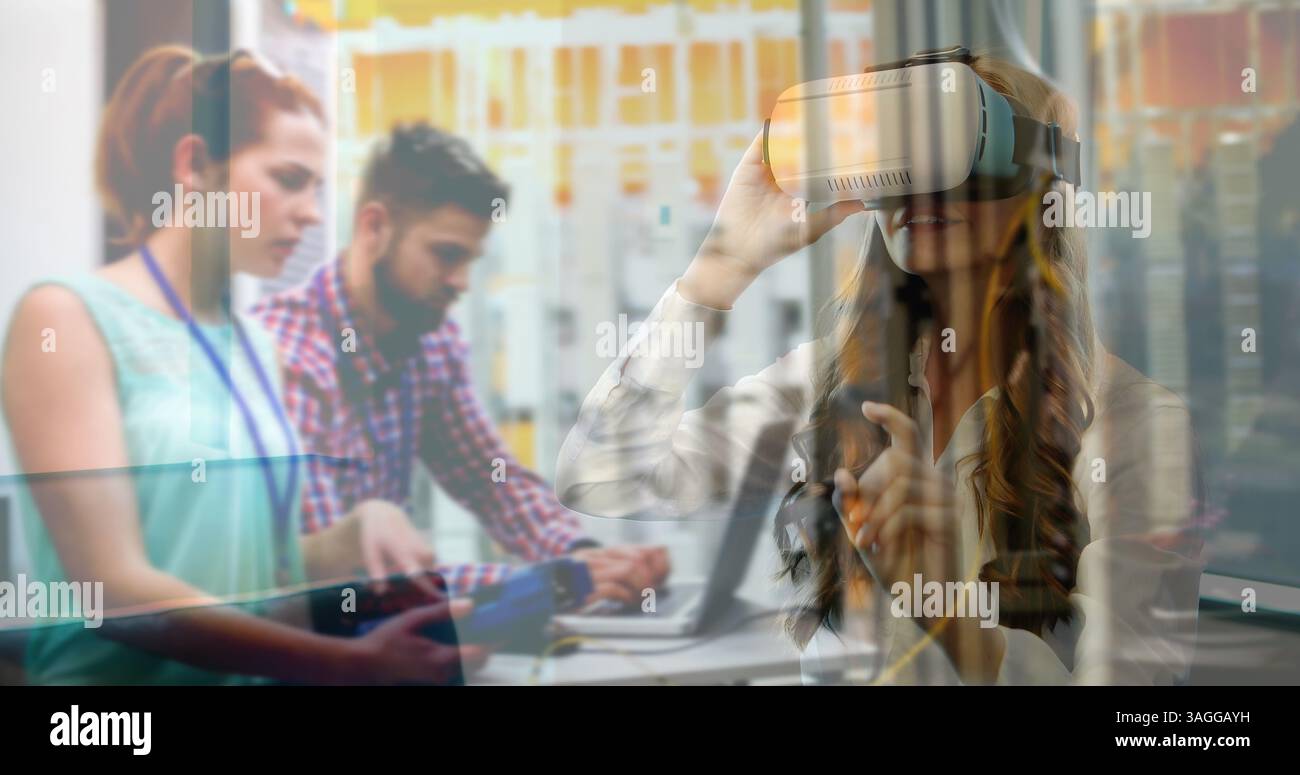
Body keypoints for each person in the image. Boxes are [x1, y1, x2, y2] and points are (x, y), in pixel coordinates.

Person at [554, 53, 1204, 684]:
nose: (919, 183)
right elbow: (604, 478)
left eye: (947, 146)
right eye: (893, 153)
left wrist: (944, 602)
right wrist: (718, 271)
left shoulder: (1136, 424)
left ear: (1036, 176)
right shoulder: (826, 383)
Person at [1, 46, 481, 685]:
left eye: (316, 188)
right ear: (195, 164)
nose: (311, 212)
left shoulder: (258, 347)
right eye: (289, 179)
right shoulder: (65, 317)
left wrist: (357, 532)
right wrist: (348, 663)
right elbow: (111, 586)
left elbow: (253, 581)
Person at [253, 122, 668, 605]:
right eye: (446, 255)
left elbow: (491, 479)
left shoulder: (428, 340)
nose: (460, 282)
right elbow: (339, 581)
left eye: (469, 260)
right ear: (374, 228)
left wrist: (583, 557)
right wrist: (552, 584)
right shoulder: (288, 358)